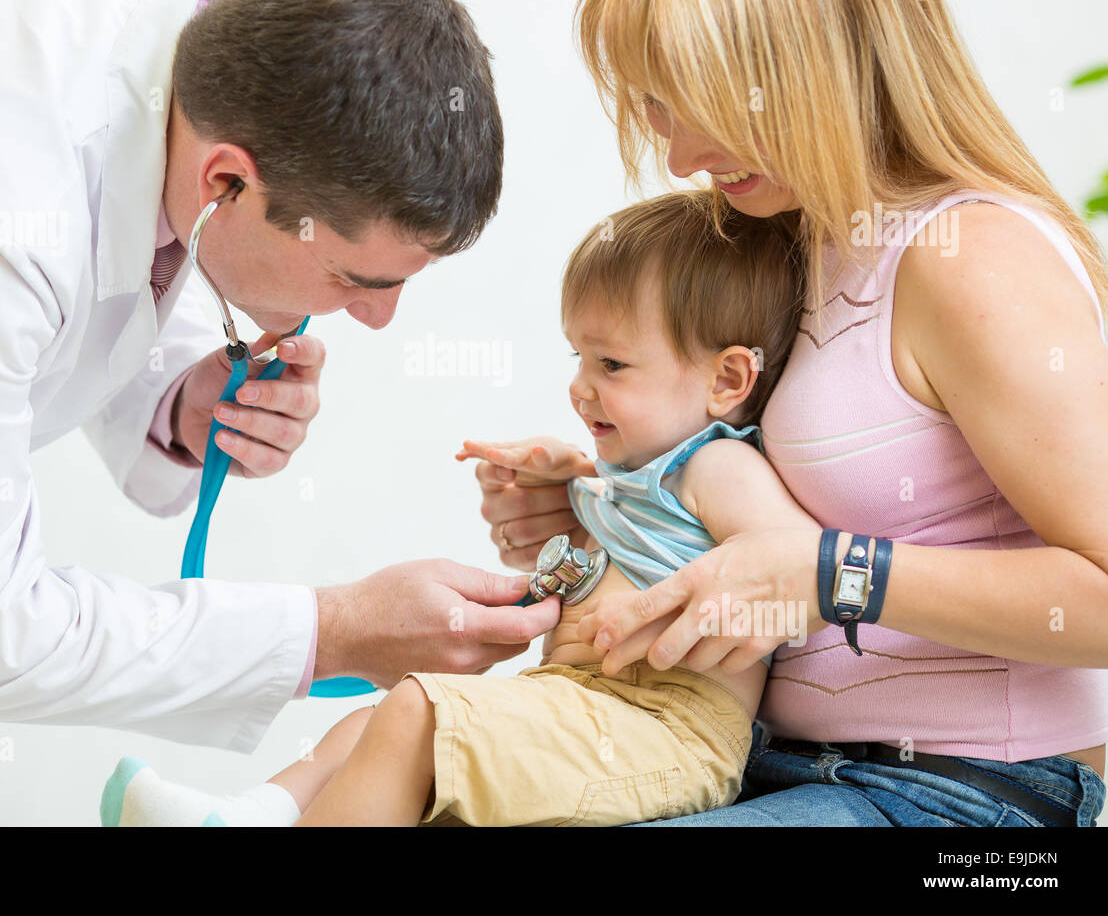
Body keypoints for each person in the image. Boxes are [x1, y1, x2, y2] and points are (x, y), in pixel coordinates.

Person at [0, 0, 560, 754]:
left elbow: (113, 221)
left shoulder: (210, 21)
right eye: (358, 279)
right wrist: (330, 632)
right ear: (226, 186)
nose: (380, 319)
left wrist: (175, 396)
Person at [479, 0, 1108, 827]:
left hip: (969, 802)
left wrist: (831, 573)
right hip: (764, 763)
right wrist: (596, 521)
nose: (678, 151)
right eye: (656, 103)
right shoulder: (789, 247)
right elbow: (731, 527)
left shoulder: (968, 256)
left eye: (702, 98)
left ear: (816, 61)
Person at [101, 189, 815, 826]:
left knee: (417, 714)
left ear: (728, 379)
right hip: (581, 703)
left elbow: (802, 577)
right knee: (374, 724)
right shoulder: (624, 479)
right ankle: (251, 813)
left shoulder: (721, 468)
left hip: (667, 729)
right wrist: (568, 501)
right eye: (577, 359)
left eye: (612, 365)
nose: (580, 388)